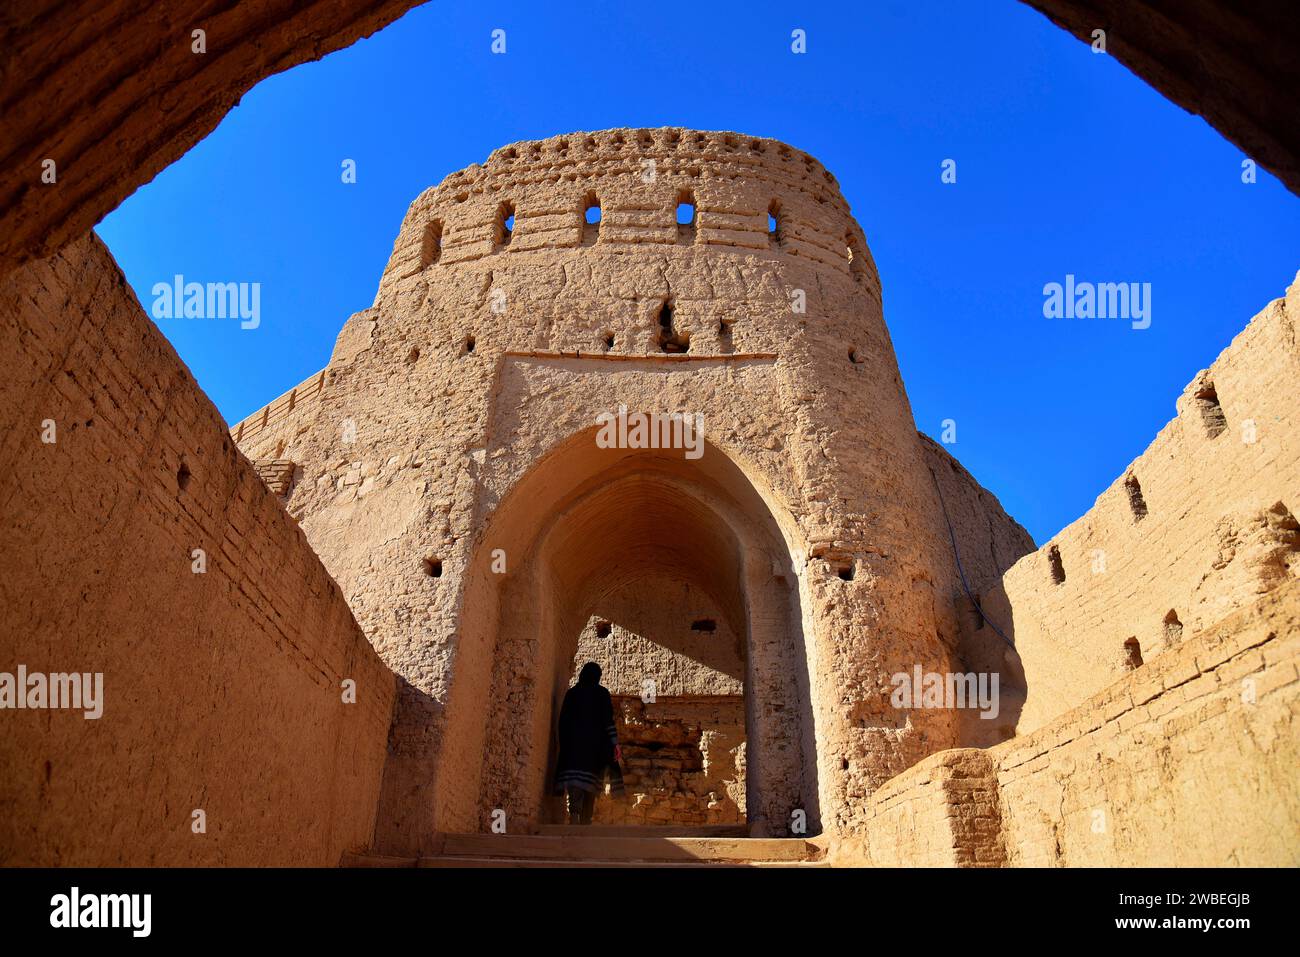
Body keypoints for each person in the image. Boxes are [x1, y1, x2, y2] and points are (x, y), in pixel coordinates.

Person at [553, 661, 624, 825]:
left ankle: (574, 816)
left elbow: (563, 722)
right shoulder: (602, 694)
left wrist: (563, 745)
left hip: (573, 749)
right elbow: (608, 721)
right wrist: (615, 743)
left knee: (575, 783)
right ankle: (586, 821)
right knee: (590, 785)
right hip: (595, 751)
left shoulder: (572, 694)